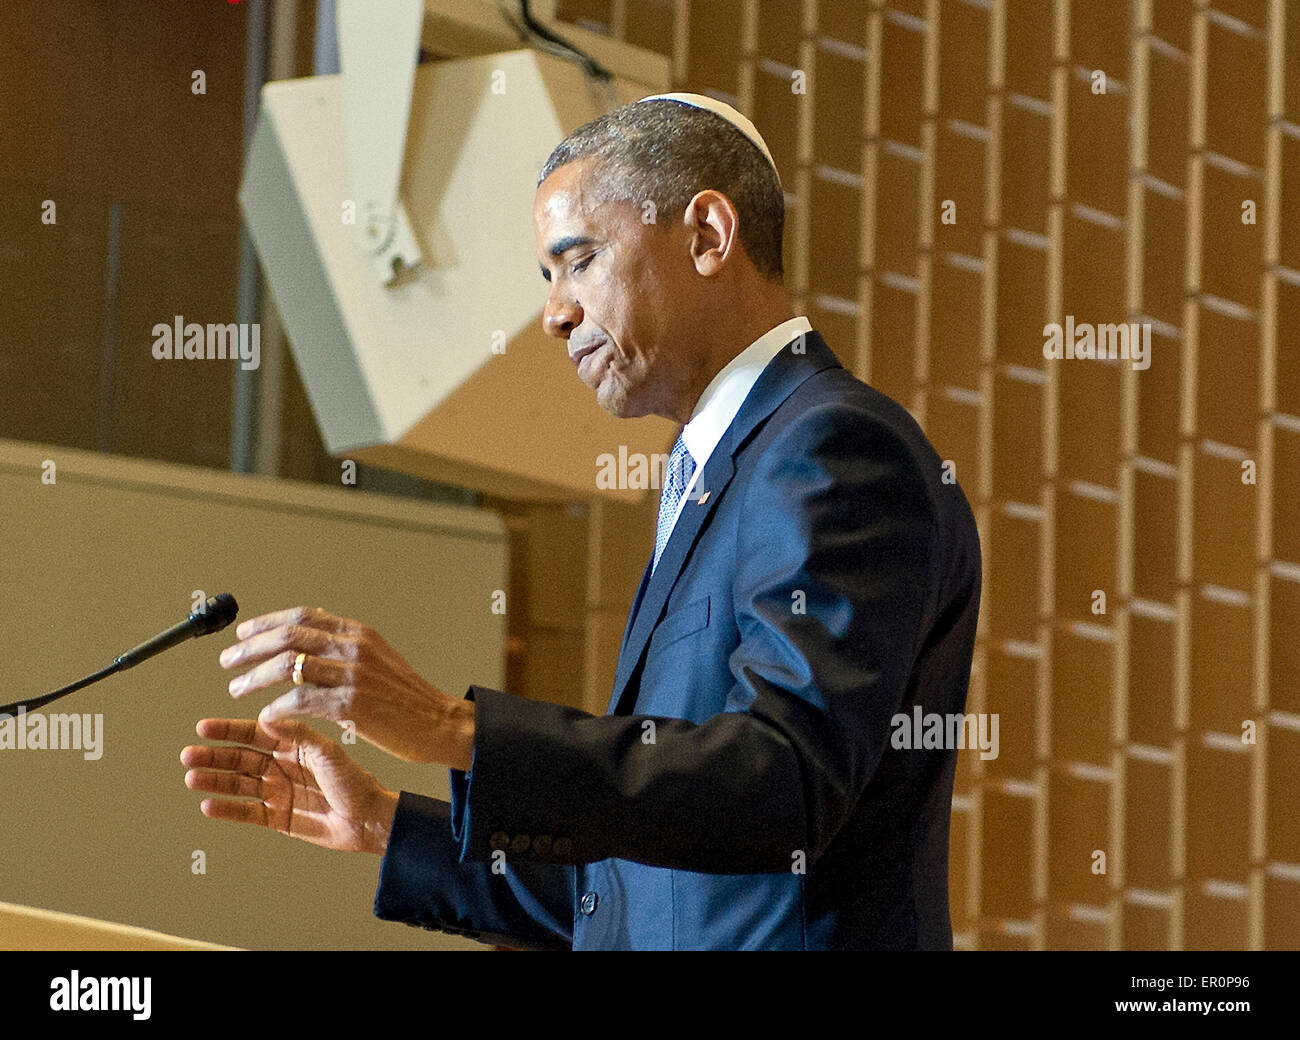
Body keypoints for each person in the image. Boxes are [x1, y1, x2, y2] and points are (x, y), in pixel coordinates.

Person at [181, 94, 982, 950]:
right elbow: (642, 887)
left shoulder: (832, 446)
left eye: (579, 261)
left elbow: (780, 787)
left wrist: (455, 730)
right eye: (546, 279)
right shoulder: (717, 474)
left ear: (709, 235)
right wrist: (386, 824)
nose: (556, 314)